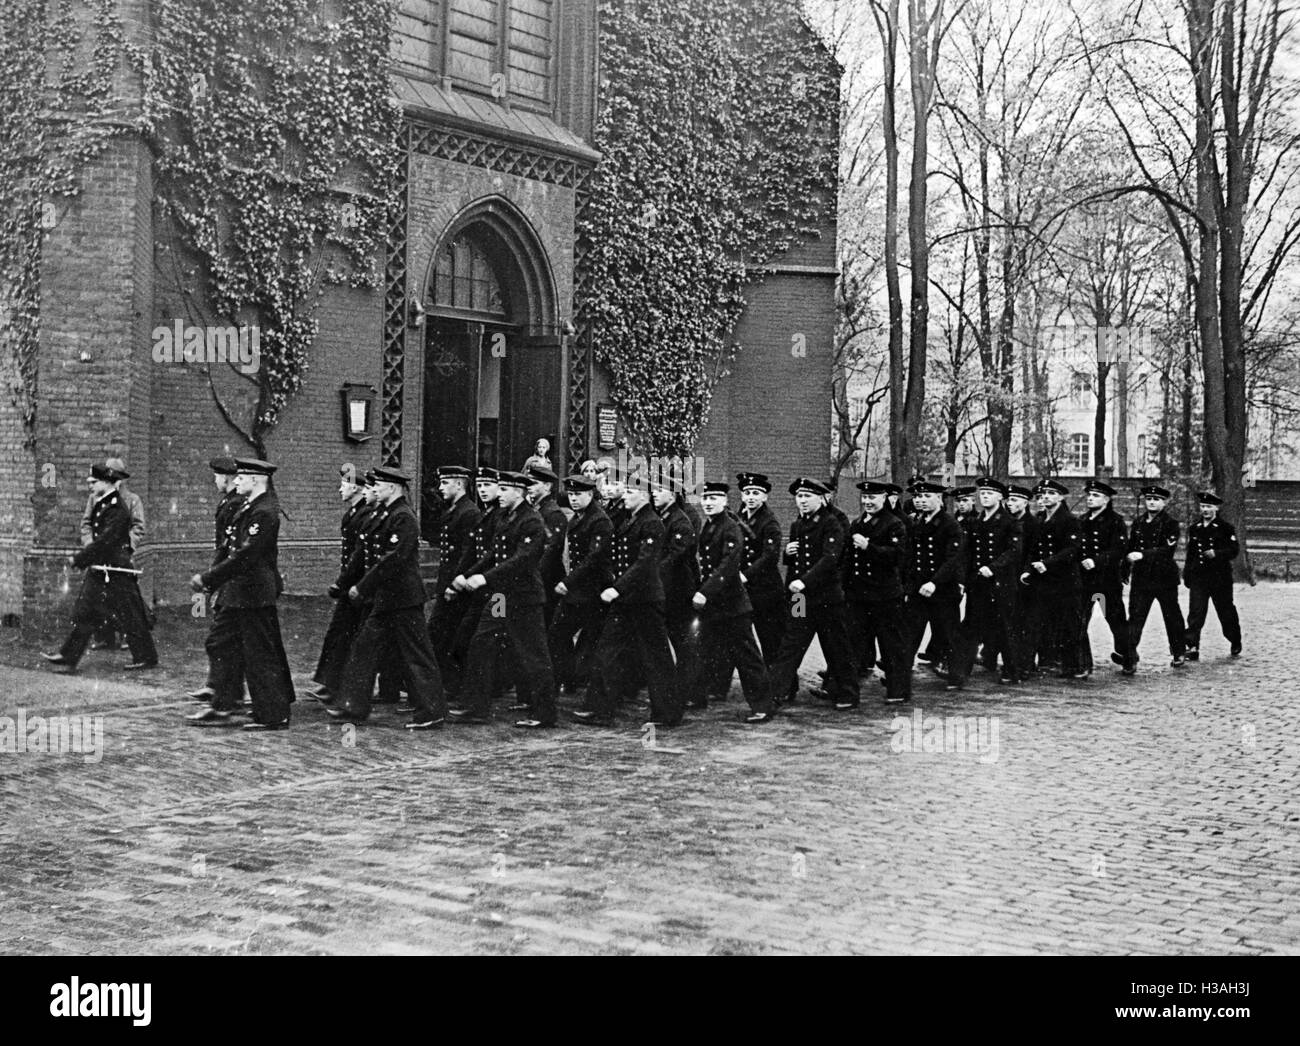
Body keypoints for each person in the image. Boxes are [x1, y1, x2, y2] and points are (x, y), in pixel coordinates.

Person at [325, 467, 446, 729]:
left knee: (417, 654)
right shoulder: (385, 514)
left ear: (392, 488)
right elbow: (363, 552)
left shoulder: (403, 518)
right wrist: (347, 583)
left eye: (378, 485)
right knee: (364, 647)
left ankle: (432, 711)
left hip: (403, 599)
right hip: (387, 598)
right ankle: (353, 705)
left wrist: (363, 586)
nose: (373, 489)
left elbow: (393, 558)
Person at [186, 458, 294, 730]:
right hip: (239, 592)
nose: (237, 481)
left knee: (259, 654)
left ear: (256, 480)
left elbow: (246, 555)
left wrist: (209, 578)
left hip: (253, 593)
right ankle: (223, 704)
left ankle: (273, 714)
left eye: (242, 478)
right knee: (220, 643)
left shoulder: (265, 512)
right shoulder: (250, 506)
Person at [450, 470, 559, 729]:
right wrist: (468, 574)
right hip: (501, 597)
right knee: (481, 642)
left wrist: (485, 578)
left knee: (533, 655)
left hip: (524, 599)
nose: (498, 494)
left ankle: (545, 713)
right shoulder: (505, 518)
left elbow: (522, 560)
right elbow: (493, 553)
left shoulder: (531, 521)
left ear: (519, 492)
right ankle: (476, 707)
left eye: (504, 490)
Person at [574, 477, 680, 728]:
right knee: (607, 651)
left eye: (631, 491)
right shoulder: (631, 519)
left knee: (656, 656)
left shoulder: (652, 523)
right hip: (627, 599)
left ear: (643, 496)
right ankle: (599, 708)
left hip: (644, 600)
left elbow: (644, 563)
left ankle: (667, 712)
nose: (625, 495)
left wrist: (616, 588)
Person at [43, 463, 158, 673]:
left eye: (94, 482)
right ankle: (68, 657)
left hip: (115, 569)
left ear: (108, 482)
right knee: (86, 611)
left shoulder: (117, 509)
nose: (90, 485)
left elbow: (105, 541)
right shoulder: (104, 503)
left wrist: (80, 558)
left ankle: (146, 656)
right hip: (102, 568)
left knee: (130, 614)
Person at [765, 477, 858, 710]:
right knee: (791, 643)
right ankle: (777, 692)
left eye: (808, 496)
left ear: (821, 498)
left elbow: (830, 559)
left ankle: (848, 693)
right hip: (800, 599)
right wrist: (787, 553)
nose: (802, 501)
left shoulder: (831, 523)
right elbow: (796, 560)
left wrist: (803, 582)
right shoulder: (798, 524)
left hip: (826, 598)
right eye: (799, 496)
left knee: (836, 646)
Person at [690, 481, 775, 722]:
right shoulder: (710, 525)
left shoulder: (730, 527)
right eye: (705, 498)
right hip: (715, 603)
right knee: (702, 650)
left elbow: (728, 565)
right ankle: (696, 695)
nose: (708, 503)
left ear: (725, 501)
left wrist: (704, 591)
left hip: (732, 604)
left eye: (714, 498)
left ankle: (763, 706)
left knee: (747, 657)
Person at [946, 478, 1022, 689]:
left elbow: (1014, 551)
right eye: (983, 493)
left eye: (990, 493)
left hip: (1000, 584)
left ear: (1000, 497)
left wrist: (994, 567)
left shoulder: (1009, 522)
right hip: (978, 584)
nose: (985, 496)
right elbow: (966, 552)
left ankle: (1011, 670)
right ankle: (958, 673)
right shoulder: (975, 521)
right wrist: (964, 579)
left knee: (1004, 628)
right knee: (969, 627)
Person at [843, 480, 911, 704]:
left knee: (891, 645)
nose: (868, 502)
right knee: (853, 644)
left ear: (884, 498)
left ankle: (898, 690)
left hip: (885, 595)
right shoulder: (857, 523)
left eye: (873, 498)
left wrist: (868, 547)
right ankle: (846, 692)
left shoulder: (894, 524)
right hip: (859, 595)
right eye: (865, 498)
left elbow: (897, 556)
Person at [188, 456, 247, 702]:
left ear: (226, 477)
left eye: (217, 476)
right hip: (227, 575)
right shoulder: (229, 501)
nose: (215, 481)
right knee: (224, 637)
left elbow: (227, 548)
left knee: (222, 638)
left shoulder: (234, 504)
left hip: (231, 577)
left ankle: (226, 694)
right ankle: (219, 687)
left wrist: (212, 580)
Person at [549, 472, 614, 692]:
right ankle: (567, 679)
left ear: (590, 494)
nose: (573, 499)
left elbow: (593, 558)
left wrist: (568, 581)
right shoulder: (580, 517)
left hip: (593, 589)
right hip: (579, 589)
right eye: (570, 494)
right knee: (559, 634)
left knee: (587, 639)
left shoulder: (599, 520)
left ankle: (574, 681)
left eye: (578, 494)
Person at [311, 464, 371, 699]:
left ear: (356, 488)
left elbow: (358, 555)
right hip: (351, 583)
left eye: (344, 485)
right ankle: (329, 681)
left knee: (347, 633)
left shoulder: (363, 515)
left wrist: (343, 581)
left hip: (357, 584)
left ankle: (337, 684)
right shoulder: (353, 513)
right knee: (339, 632)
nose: (340, 490)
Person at [1019, 478, 1085, 679]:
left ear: (1061, 497)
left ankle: (1074, 666)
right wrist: (1028, 569)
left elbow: (1072, 550)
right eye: (1042, 495)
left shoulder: (1070, 521)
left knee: (1068, 625)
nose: (1045, 498)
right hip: (1041, 581)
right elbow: (1032, 548)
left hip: (1064, 581)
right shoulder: (1039, 519)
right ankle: (1026, 665)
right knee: (1033, 622)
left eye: (1050, 494)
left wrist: (1047, 563)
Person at [426, 465, 482, 698]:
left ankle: (453, 685)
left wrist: (453, 584)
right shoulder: (455, 510)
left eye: (445, 483)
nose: (440, 488)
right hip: (449, 583)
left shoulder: (468, 512)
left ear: (459, 484)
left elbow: (467, 553)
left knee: (447, 635)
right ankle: (448, 684)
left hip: (457, 587)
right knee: (441, 634)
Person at [82, 456, 144, 650]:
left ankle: (128, 636)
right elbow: (86, 524)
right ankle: (104, 636)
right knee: (98, 596)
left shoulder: (132, 500)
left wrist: (127, 547)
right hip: (99, 557)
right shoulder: (95, 498)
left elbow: (138, 527)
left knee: (126, 598)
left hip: (119, 557)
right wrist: (91, 546)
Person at [902, 480, 964, 672]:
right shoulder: (918, 522)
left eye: (927, 496)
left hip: (942, 589)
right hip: (918, 588)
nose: (922, 500)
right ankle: (900, 674)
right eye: (918, 496)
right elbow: (912, 556)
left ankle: (954, 674)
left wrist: (935, 582)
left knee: (947, 632)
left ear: (939, 498)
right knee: (910, 632)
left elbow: (952, 559)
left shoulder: (949, 524)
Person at [1124, 484, 1187, 669]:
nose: (1151, 502)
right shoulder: (1138, 523)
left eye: (1156, 499)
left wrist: (1143, 554)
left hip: (1163, 578)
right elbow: (1131, 546)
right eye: (1149, 499)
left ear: (1164, 502)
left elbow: (1167, 550)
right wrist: (1126, 566)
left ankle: (1178, 651)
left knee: (1172, 616)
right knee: (1136, 617)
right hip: (1142, 578)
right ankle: (1130, 657)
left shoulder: (1170, 524)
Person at [1076, 479, 1135, 675]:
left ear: (1106, 500)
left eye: (1096, 496)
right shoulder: (1082, 521)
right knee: (1080, 621)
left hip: (1107, 582)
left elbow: (1119, 549)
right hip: (1085, 581)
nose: (1090, 499)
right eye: (1089, 495)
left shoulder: (1115, 521)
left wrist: (1097, 561)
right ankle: (1083, 664)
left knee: (1116, 621)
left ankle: (1128, 657)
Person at [653, 477, 700, 713]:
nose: (654, 494)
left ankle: (690, 693)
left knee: (684, 645)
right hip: (667, 590)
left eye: (659, 490)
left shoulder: (680, 521)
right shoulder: (665, 517)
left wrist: (651, 574)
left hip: (679, 592)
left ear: (672, 495)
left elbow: (674, 556)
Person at [1183, 491, 1241, 660]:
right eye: (1202, 506)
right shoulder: (1195, 529)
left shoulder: (1225, 528)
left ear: (1216, 508)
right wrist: (1187, 574)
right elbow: (1191, 554)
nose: (1205, 509)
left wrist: (1217, 553)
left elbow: (1234, 550)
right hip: (1199, 579)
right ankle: (1192, 646)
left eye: (1209, 506)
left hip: (1219, 579)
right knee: (1196, 613)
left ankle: (1234, 639)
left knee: (1225, 611)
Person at [527, 465, 568, 628]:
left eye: (533, 483)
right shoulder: (536, 509)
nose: (529, 487)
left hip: (546, 580)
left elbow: (551, 551)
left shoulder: (552, 513)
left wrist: (534, 578)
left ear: (547, 486)